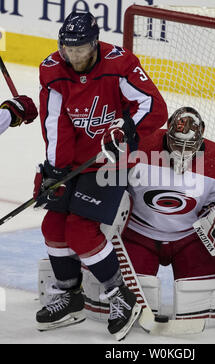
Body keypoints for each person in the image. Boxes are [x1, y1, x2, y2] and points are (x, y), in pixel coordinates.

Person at [33, 11, 167, 340]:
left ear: (94, 45)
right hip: (74, 161)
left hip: (112, 160)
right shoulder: (53, 70)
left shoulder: (119, 64)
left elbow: (153, 105)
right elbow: (55, 123)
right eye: (67, 49)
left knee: (80, 231)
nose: (72, 56)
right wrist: (54, 170)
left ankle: (121, 295)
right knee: (52, 225)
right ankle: (70, 297)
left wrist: (127, 130)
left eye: (79, 49)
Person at [122, 106, 215, 280]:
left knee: (209, 295)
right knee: (124, 292)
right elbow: (111, 189)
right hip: (137, 233)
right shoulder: (139, 146)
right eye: (176, 143)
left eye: (189, 146)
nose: (181, 152)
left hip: (191, 236)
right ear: (167, 129)